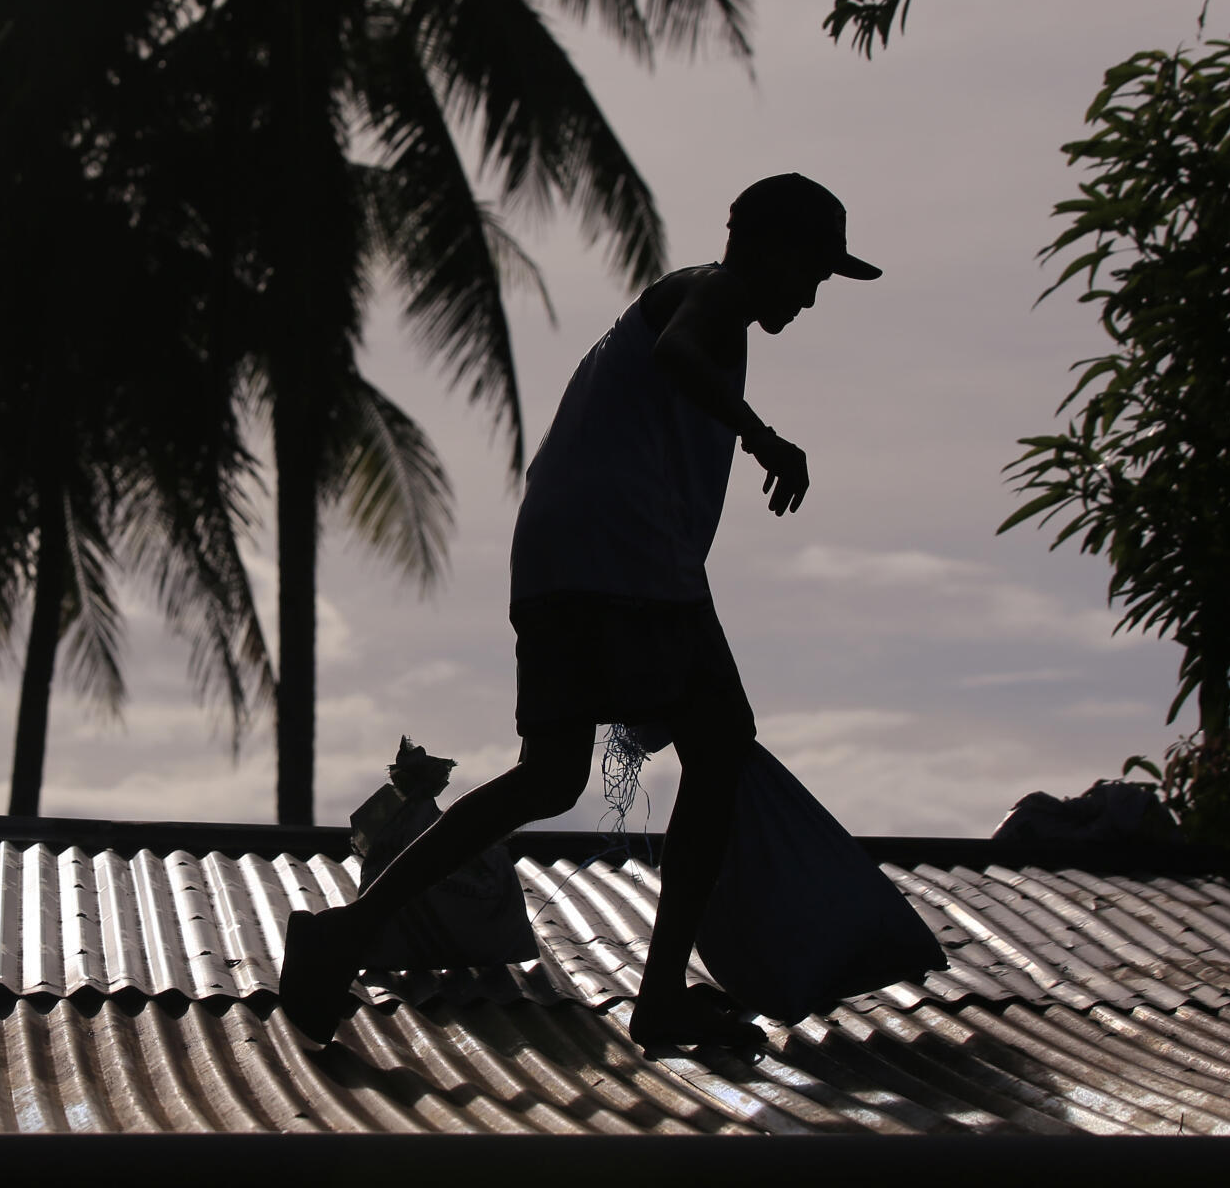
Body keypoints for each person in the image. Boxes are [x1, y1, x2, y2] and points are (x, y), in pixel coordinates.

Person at [278, 173, 880, 1050]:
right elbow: (679, 354)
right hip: (626, 557)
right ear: (771, 252)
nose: (814, 294)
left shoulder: (700, 309)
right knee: (720, 741)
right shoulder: (711, 295)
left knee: (552, 774)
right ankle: (663, 993)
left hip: (557, 558)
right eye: (813, 272)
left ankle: (346, 933)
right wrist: (764, 437)